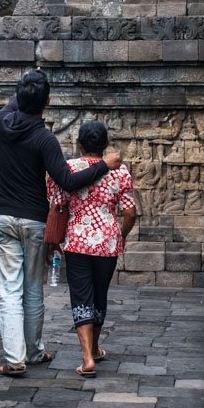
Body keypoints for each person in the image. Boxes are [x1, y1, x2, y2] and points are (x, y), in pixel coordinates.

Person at [0, 70, 122, 377]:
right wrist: (104, 165)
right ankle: (34, 351)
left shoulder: (0, 122)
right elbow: (67, 180)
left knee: (10, 290)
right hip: (33, 220)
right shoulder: (44, 138)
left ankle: (15, 358)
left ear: (18, 97)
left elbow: (16, 101)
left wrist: (29, 84)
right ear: (47, 102)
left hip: (2, 217)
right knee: (33, 287)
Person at [46, 120, 137, 378]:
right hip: (108, 243)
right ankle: (95, 347)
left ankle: (87, 357)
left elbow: (57, 202)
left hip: (76, 241)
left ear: (79, 144)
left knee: (81, 296)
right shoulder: (119, 172)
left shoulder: (67, 170)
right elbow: (130, 212)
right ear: (106, 144)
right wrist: (121, 234)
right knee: (99, 295)